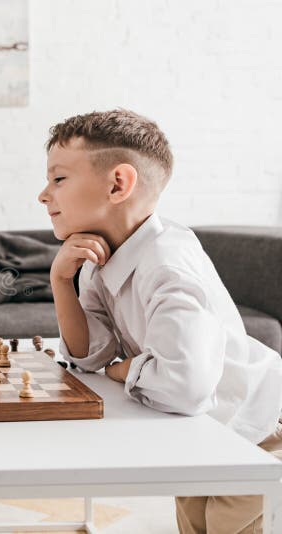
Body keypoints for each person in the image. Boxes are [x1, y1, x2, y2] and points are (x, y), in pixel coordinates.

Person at [39, 109, 282, 534]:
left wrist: (124, 368)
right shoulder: (101, 257)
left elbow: (183, 386)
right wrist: (62, 280)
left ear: (118, 184)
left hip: (256, 430)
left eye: (59, 179)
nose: (44, 195)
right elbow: (92, 355)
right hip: (203, 430)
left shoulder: (168, 261)